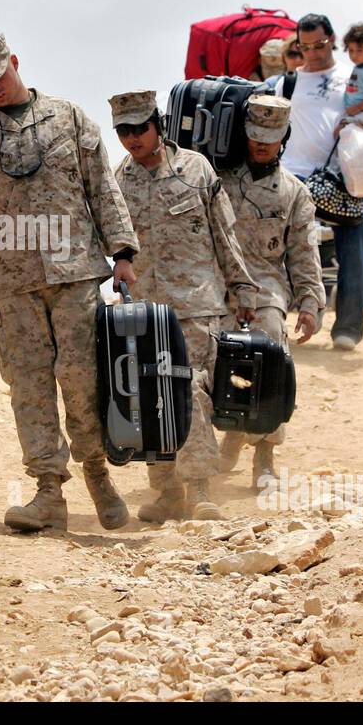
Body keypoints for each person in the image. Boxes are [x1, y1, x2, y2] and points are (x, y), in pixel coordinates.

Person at [0, 33, 139, 533]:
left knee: (82, 377)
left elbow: (101, 185)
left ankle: (99, 474)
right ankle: (48, 491)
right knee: (29, 386)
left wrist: (121, 252)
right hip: (15, 285)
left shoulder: (70, 118)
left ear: (15, 64)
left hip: (76, 271)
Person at [110, 89, 259, 521]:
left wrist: (242, 289)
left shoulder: (196, 170)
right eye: (124, 131)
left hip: (197, 305)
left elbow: (224, 234)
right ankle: (167, 490)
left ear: (159, 124)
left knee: (188, 387)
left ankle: (198, 486)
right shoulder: (119, 182)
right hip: (145, 311)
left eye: (140, 128)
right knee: (149, 395)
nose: (133, 139)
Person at [216, 96, 324, 485]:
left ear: (284, 137)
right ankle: (230, 432)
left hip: (266, 288)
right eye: (255, 135)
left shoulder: (295, 193)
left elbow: (303, 253)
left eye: (270, 137)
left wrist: (310, 303)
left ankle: (264, 455)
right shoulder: (217, 179)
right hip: (218, 286)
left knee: (270, 357)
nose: (261, 144)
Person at [275, 13, 363, 352]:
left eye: (319, 45)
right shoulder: (287, 83)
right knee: (284, 252)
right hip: (295, 175)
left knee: (352, 249)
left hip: (342, 176)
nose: (313, 53)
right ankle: (296, 315)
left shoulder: (356, 73)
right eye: (305, 47)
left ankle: (348, 327)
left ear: (332, 39)